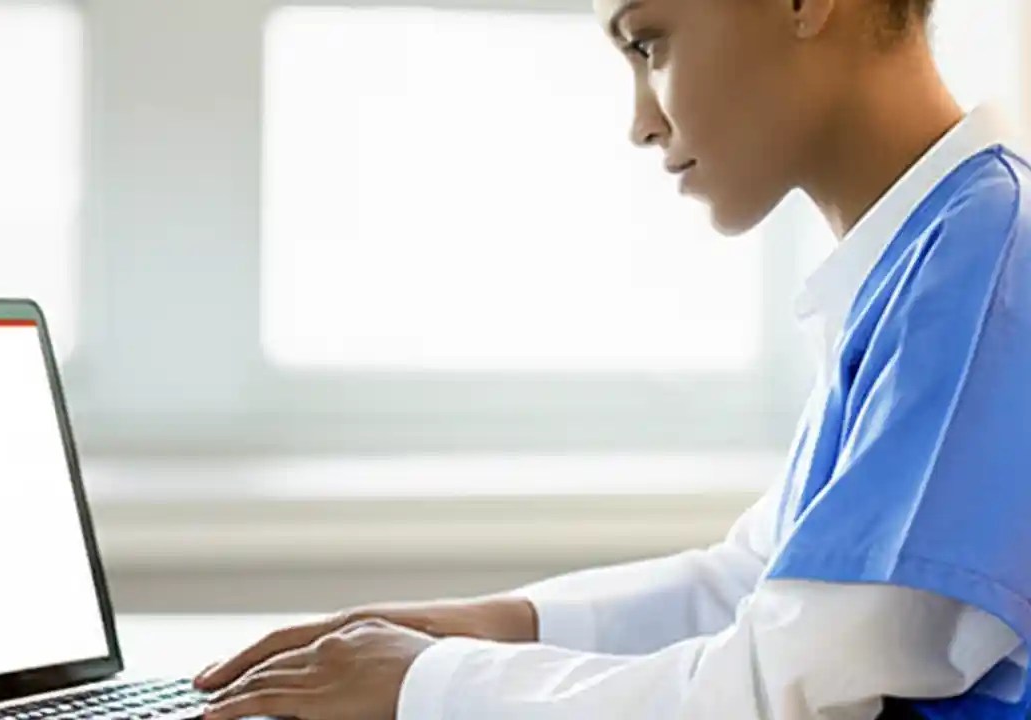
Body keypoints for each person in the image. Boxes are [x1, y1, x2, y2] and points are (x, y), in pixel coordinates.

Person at [194, 0, 1031, 717]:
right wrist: (488, 624)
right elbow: (760, 583)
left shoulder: (989, 263)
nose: (642, 120)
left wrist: (428, 684)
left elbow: (793, 688)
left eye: (649, 43)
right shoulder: (933, 253)